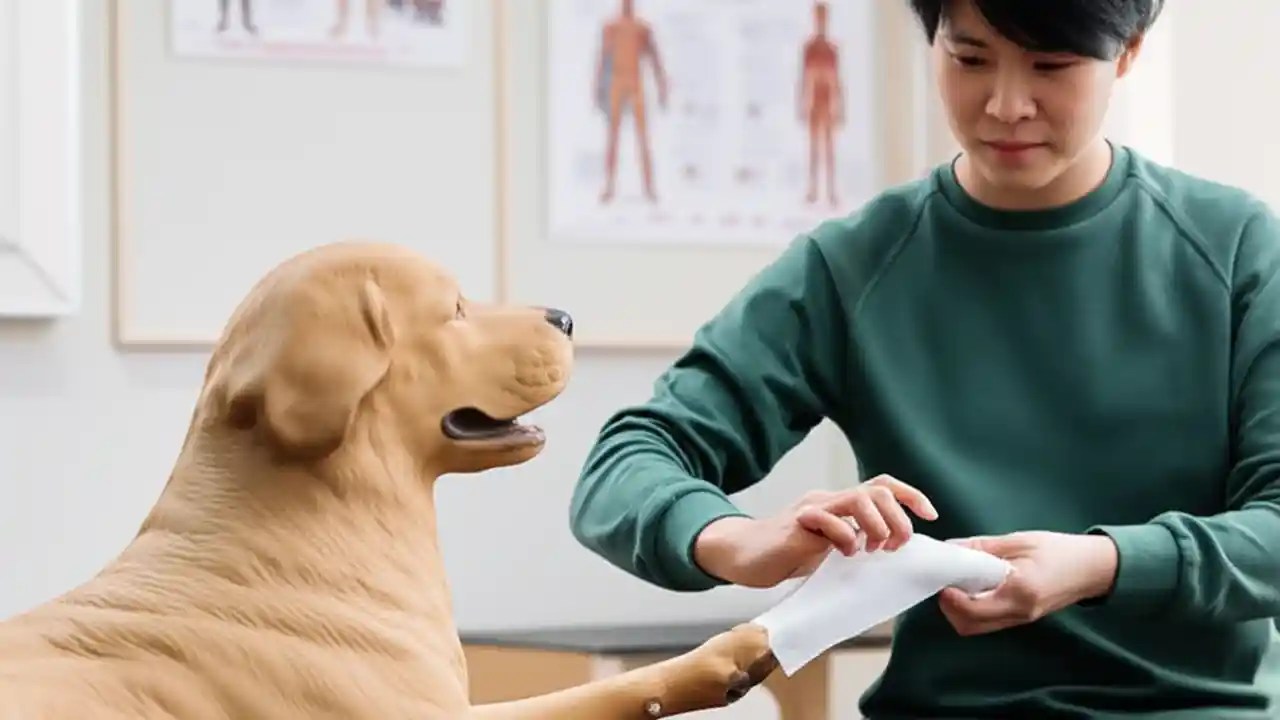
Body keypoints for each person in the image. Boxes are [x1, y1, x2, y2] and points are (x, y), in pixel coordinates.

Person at [568, 0, 1280, 716]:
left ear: (1126, 53)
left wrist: (1103, 565)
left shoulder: (1235, 250)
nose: (1004, 105)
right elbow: (625, 466)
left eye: (1051, 66)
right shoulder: (854, 267)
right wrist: (739, 542)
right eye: (969, 59)